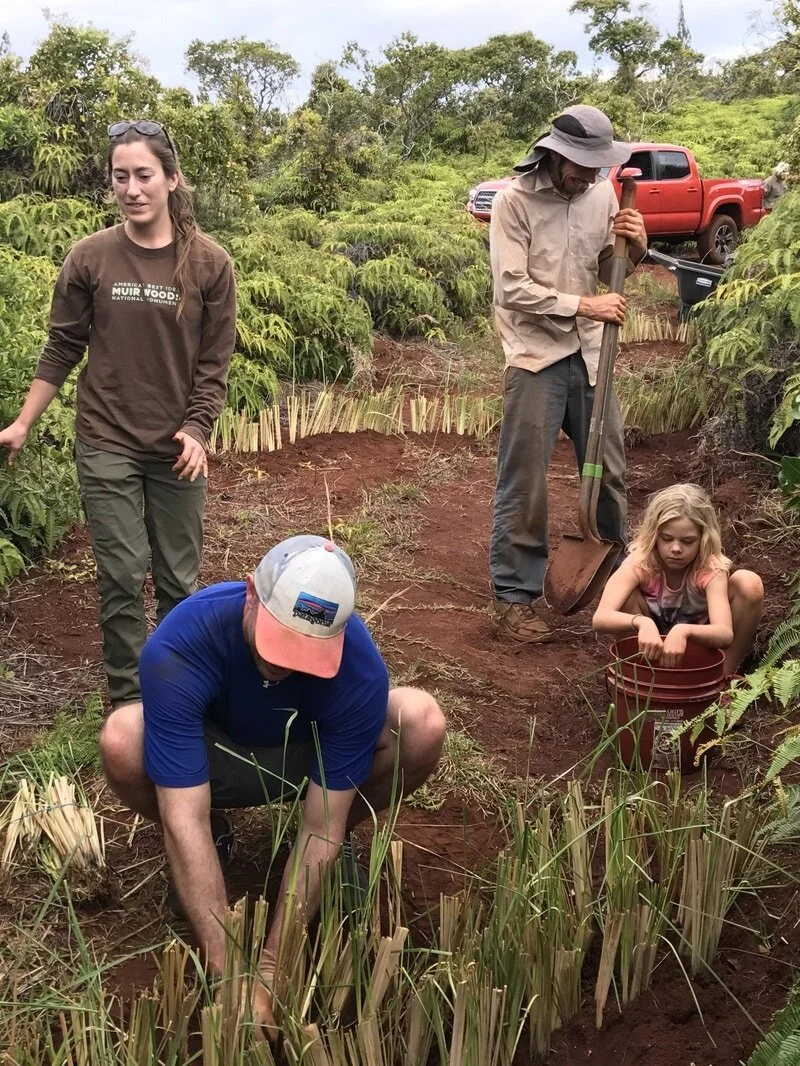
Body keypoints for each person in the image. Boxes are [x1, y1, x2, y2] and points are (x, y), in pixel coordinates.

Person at [98, 533, 446, 1038]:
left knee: (421, 721)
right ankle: (213, 841)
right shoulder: (183, 642)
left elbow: (320, 828)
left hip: (306, 758)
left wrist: (271, 964)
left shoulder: (358, 669)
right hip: (215, 761)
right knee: (124, 739)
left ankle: (334, 842)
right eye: (277, 641)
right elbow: (182, 813)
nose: (282, 665)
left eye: (305, 651)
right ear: (250, 594)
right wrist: (231, 973)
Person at [0, 120, 237, 709]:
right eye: (120, 176)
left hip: (177, 449)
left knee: (180, 583)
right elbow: (62, 346)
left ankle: (183, 693)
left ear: (171, 179)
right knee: (123, 575)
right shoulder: (91, 257)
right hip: (105, 438)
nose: (131, 188)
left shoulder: (208, 264)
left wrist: (196, 429)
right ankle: (129, 703)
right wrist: (24, 421)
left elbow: (214, 363)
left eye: (144, 175)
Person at [489, 104, 648, 644]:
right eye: (580, 166)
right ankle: (514, 598)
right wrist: (585, 305)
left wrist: (636, 243)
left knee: (609, 470)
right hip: (536, 354)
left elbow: (610, 265)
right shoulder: (514, 202)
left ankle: (615, 583)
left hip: (590, 354)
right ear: (553, 154)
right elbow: (509, 289)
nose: (589, 176)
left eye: (597, 167)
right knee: (525, 478)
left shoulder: (602, 194)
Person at [592, 483, 763, 675]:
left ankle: (721, 677)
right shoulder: (641, 563)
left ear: (704, 539)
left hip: (697, 646)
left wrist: (684, 631)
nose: (675, 549)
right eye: (666, 539)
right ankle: (639, 675)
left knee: (749, 583)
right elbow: (600, 618)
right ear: (654, 536)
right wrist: (641, 622)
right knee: (625, 596)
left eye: (687, 541)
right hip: (650, 644)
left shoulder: (709, 568)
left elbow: (724, 633)